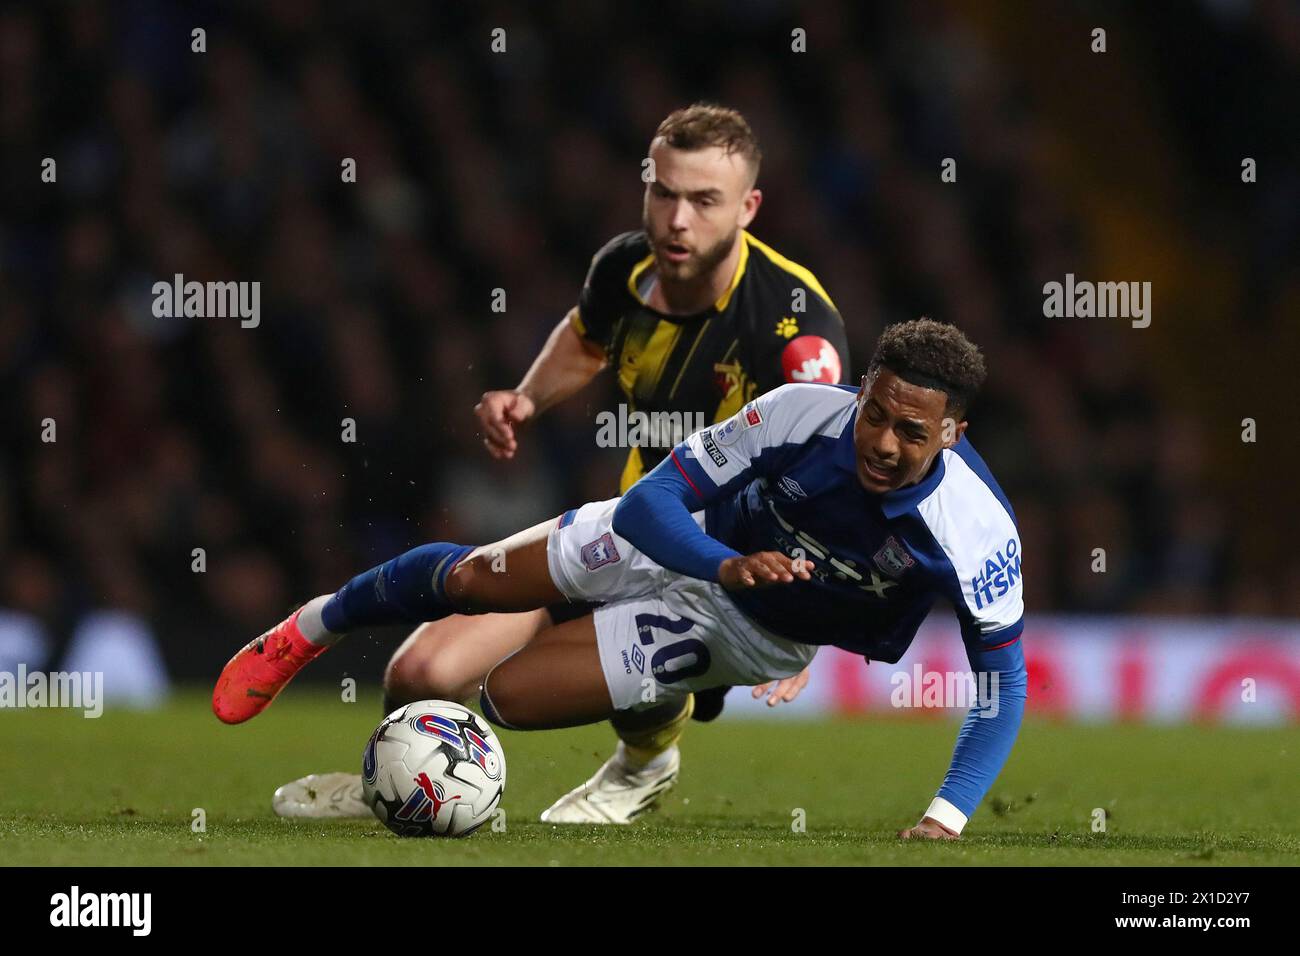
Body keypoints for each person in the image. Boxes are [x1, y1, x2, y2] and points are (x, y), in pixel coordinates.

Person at [214, 319, 1026, 839]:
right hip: (692, 538)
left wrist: (944, 818)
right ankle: (311, 625)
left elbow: (1003, 683)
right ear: (861, 391)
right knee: (471, 582)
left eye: (911, 432)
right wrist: (723, 562)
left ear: (953, 433)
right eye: (873, 414)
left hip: (753, 630)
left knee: (509, 697)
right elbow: (651, 504)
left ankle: (652, 728)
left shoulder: (977, 532)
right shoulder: (800, 413)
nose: (881, 442)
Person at [272, 102, 850, 823]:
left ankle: (645, 761)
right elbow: (585, 339)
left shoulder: (794, 329)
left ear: (748, 207)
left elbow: (831, 484)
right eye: (664, 192)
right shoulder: (625, 266)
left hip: (716, 572)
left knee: (523, 690)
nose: (676, 220)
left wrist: (810, 619)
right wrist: (526, 398)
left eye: (704, 201)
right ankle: (392, 788)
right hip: (624, 526)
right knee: (420, 674)